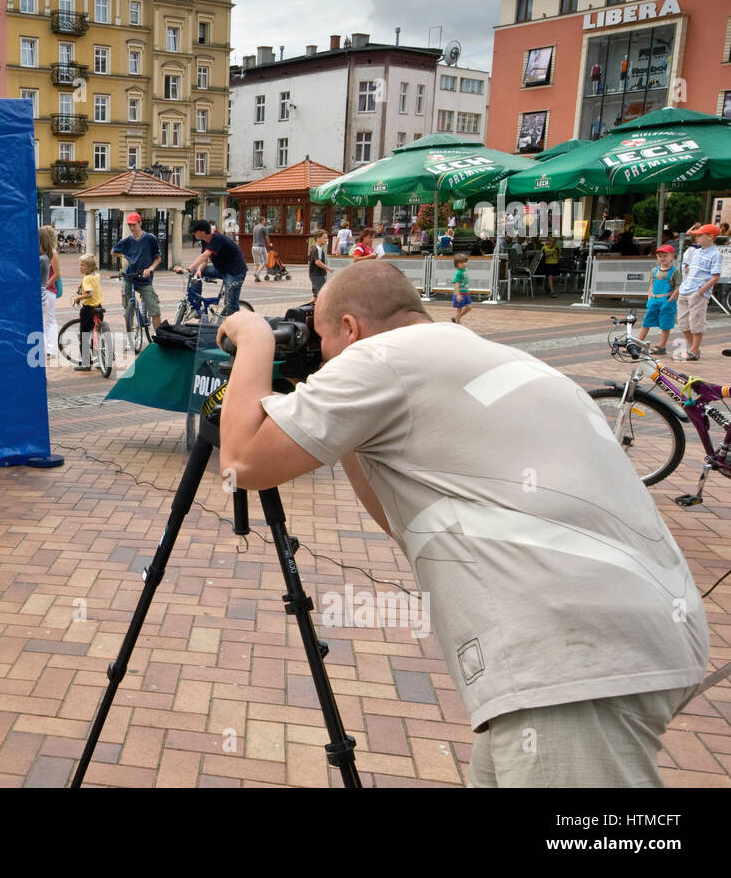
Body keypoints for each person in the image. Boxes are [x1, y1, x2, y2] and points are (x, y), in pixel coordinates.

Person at [215, 262, 709, 787]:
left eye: (322, 337)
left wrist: (253, 340)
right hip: (612, 640)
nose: (323, 355)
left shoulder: (381, 359)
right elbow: (402, 522)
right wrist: (332, 419)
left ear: (351, 329)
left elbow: (241, 464)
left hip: (571, 662)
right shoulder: (478, 354)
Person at [176, 219, 247, 317]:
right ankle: (196, 307)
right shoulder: (204, 241)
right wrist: (199, 270)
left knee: (230, 305)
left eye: (195, 232)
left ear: (203, 232)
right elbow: (204, 261)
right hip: (220, 269)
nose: (193, 234)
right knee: (195, 274)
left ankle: (235, 324)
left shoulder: (218, 239)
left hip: (235, 272)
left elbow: (205, 256)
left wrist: (188, 269)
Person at [677, 224, 723, 361]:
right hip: (686, 289)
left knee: (696, 322)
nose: (696, 238)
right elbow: (690, 269)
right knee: (682, 322)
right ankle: (694, 349)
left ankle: (693, 350)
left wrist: (701, 291)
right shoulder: (696, 252)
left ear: (711, 237)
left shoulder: (716, 254)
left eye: (700, 235)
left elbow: (716, 276)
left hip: (698, 292)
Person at [112, 212, 163, 330]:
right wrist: (125, 256)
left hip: (145, 279)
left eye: (134, 225)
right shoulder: (127, 240)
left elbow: (158, 258)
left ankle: (159, 337)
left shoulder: (150, 238)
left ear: (140, 223)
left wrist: (150, 268)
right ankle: (131, 333)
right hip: (129, 277)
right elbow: (113, 251)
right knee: (127, 309)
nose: (131, 228)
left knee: (155, 310)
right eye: (129, 225)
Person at [637, 244, 679, 355]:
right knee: (646, 322)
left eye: (665, 255)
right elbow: (651, 285)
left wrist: (671, 300)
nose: (662, 258)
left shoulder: (675, 272)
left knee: (665, 324)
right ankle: (638, 343)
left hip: (666, 299)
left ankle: (662, 346)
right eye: (660, 256)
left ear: (672, 256)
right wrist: (649, 298)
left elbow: (678, 287)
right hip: (654, 299)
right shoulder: (654, 271)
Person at [71, 253, 103, 371]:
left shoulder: (86, 278)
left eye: (83, 265)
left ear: (89, 267)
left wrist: (78, 298)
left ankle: (86, 363)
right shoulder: (96, 275)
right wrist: (81, 284)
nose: (80, 267)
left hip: (88, 310)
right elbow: (91, 282)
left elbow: (89, 294)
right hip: (99, 308)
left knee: (84, 335)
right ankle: (100, 360)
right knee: (97, 334)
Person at [39, 225, 61, 361]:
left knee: (50, 320)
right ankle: (46, 347)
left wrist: (44, 285)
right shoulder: (40, 253)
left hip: (49, 291)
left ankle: (52, 349)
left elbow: (57, 274)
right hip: (43, 291)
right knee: (44, 321)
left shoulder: (52, 253)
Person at [308, 230, 331, 297]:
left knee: (316, 295)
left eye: (327, 238)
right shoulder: (318, 249)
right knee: (320, 295)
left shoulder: (314, 247)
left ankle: (313, 307)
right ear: (318, 238)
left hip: (314, 275)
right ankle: (317, 307)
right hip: (318, 275)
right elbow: (317, 262)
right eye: (324, 238)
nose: (326, 240)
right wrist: (328, 268)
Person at [451, 252, 472, 323]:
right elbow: (456, 284)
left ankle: (456, 318)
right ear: (457, 264)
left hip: (466, 293)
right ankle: (457, 323)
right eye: (462, 263)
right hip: (460, 294)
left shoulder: (465, 270)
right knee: (459, 309)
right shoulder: (458, 273)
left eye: (465, 262)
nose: (464, 264)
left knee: (469, 307)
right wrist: (458, 295)